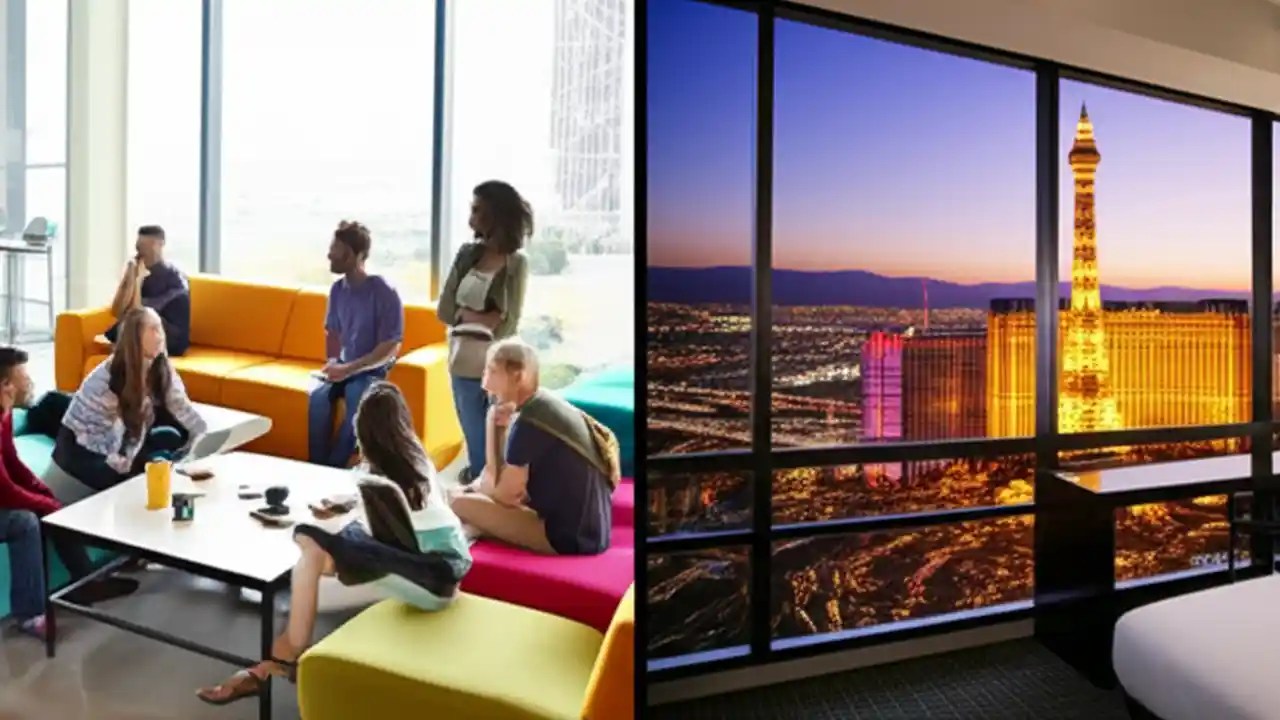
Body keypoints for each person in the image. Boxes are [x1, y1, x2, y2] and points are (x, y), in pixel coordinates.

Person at [196, 382, 472, 706]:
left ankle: (279, 661)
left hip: (436, 575)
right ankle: (275, 662)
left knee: (311, 539)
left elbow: (404, 528)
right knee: (314, 553)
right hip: (425, 566)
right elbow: (393, 525)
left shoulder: (400, 477)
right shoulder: (405, 462)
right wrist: (346, 506)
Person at [0, 348, 140, 639]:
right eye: (24, 376)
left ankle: (87, 581)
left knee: (48, 505)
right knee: (26, 520)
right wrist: (45, 504)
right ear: (5, 385)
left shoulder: (5, 414)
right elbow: (5, 491)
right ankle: (30, 615)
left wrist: (43, 492)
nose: (31, 383)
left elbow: (11, 461)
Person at [450, 339, 619, 556]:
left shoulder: (530, 422)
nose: (484, 384)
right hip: (590, 531)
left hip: (568, 538)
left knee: (455, 501)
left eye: (492, 371)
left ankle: (476, 530)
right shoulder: (544, 404)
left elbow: (505, 496)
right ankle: (480, 526)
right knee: (471, 495)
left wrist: (493, 427)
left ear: (518, 376)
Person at [437, 181, 531, 484]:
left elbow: (508, 323)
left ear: (496, 214)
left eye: (478, 210)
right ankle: (481, 503)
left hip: (499, 366)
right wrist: (480, 316)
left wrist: (469, 314)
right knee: (477, 446)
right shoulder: (467, 255)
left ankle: (496, 501)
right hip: (463, 361)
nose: (471, 218)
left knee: (500, 446)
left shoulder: (517, 264)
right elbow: (445, 311)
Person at [54, 307, 207, 491]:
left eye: (160, 328)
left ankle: (153, 465)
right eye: (153, 329)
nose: (160, 336)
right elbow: (114, 442)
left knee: (171, 436)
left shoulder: (160, 365)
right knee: (124, 479)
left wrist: (202, 441)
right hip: (84, 449)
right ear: (135, 337)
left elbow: (182, 407)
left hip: (124, 441)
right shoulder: (110, 377)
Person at [309, 220, 404, 468]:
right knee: (318, 396)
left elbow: (390, 346)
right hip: (344, 364)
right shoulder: (338, 290)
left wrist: (349, 369)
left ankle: (335, 467)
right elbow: (332, 332)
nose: (330, 254)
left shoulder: (383, 291)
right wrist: (333, 363)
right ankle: (315, 466)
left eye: (337, 249)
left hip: (372, 368)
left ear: (356, 255)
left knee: (356, 396)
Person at [106, 225, 191, 357]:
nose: (142, 253)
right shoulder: (141, 269)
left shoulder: (172, 278)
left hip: (172, 337)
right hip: (149, 327)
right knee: (125, 328)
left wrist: (138, 280)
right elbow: (117, 310)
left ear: (160, 245)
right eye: (139, 248)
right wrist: (129, 279)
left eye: (147, 248)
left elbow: (139, 312)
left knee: (132, 325)